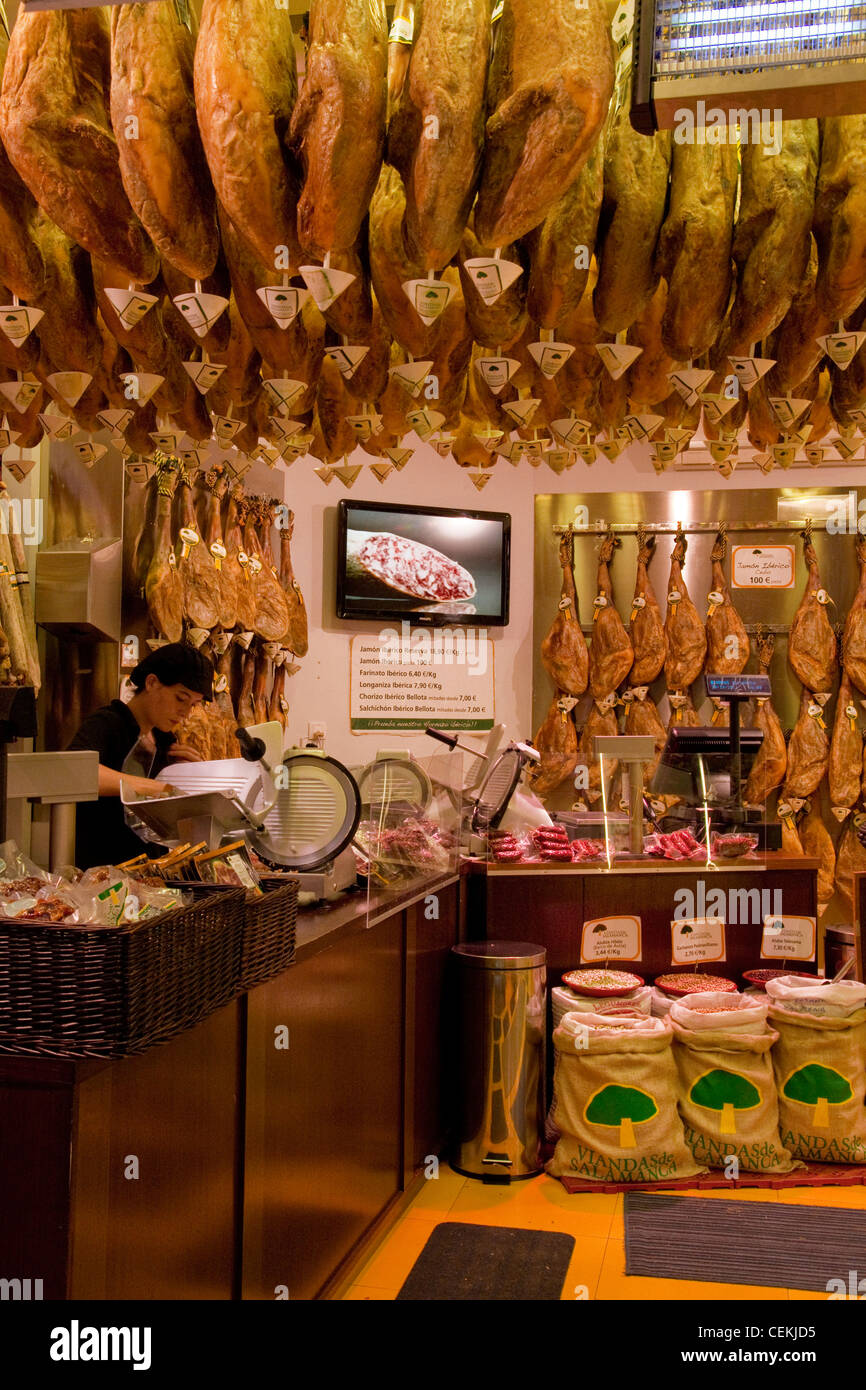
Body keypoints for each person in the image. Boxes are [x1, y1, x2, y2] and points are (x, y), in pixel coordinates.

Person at [66, 643, 215, 870]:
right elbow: (75, 772)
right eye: (180, 698)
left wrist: (190, 777)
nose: (185, 713)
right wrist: (158, 788)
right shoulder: (108, 722)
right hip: (101, 875)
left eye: (193, 705)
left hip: (150, 876)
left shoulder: (166, 743)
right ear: (152, 682)